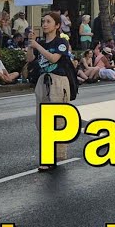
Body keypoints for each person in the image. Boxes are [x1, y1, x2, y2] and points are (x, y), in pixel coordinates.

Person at [28, 12, 78, 170]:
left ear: (57, 25)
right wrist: (31, 45)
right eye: (43, 21)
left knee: (56, 121)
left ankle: (50, 158)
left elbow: (54, 59)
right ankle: (49, 156)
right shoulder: (41, 42)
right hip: (43, 82)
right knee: (41, 121)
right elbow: (30, 60)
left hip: (57, 81)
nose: (44, 24)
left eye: (48, 21)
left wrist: (37, 46)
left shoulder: (61, 41)